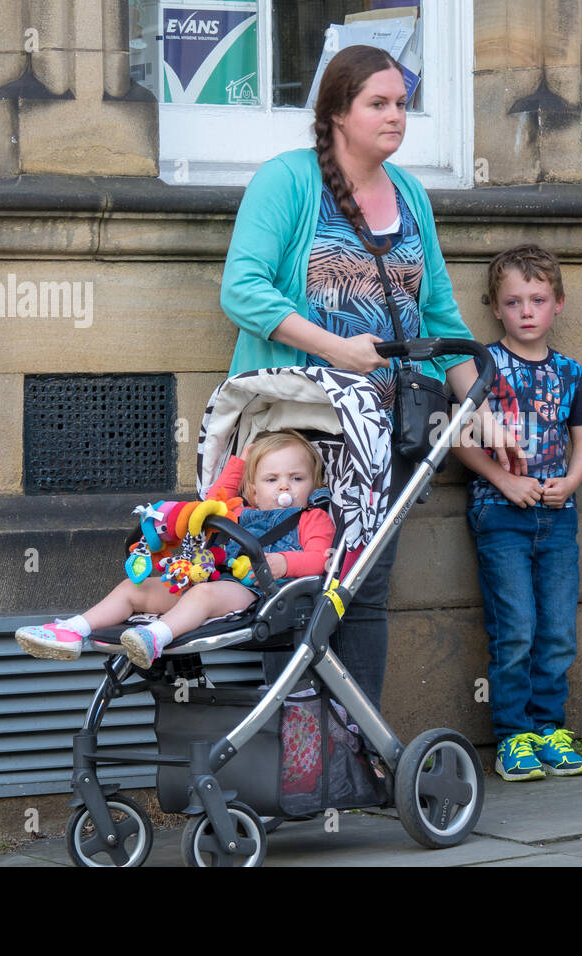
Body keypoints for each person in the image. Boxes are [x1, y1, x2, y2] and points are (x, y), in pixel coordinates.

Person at [219, 45, 519, 710]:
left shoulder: (409, 192)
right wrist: (336, 348)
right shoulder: (289, 181)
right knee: (294, 586)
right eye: (377, 104)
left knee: (365, 589)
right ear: (334, 115)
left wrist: (479, 406)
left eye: (401, 105)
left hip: (382, 433)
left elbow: (438, 314)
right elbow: (241, 290)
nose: (395, 117)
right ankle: (290, 759)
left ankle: (354, 753)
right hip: (298, 433)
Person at [14, 430, 336, 669]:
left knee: (202, 596)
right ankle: (74, 630)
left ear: (314, 484)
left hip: (258, 594)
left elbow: (321, 559)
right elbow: (214, 496)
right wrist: (240, 460)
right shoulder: (237, 510)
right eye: (271, 479)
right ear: (251, 488)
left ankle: (155, 637)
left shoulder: (312, 518)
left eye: (296, 478)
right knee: (135, 587)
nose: (284, 487)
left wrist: (283, 562)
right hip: (204, 578)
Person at [454, 244, 582, 780]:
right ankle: (514, 737)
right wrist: (503, 479)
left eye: (538, 299)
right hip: (501, 515)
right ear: (496, 307)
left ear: (558, 303)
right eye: (514, 302)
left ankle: (549, 729)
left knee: (557, 630)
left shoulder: (570, 372)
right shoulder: (480, 370)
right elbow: (461, 440)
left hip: (558, 518)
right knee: (514, 628)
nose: (527, 311)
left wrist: (572, 483)